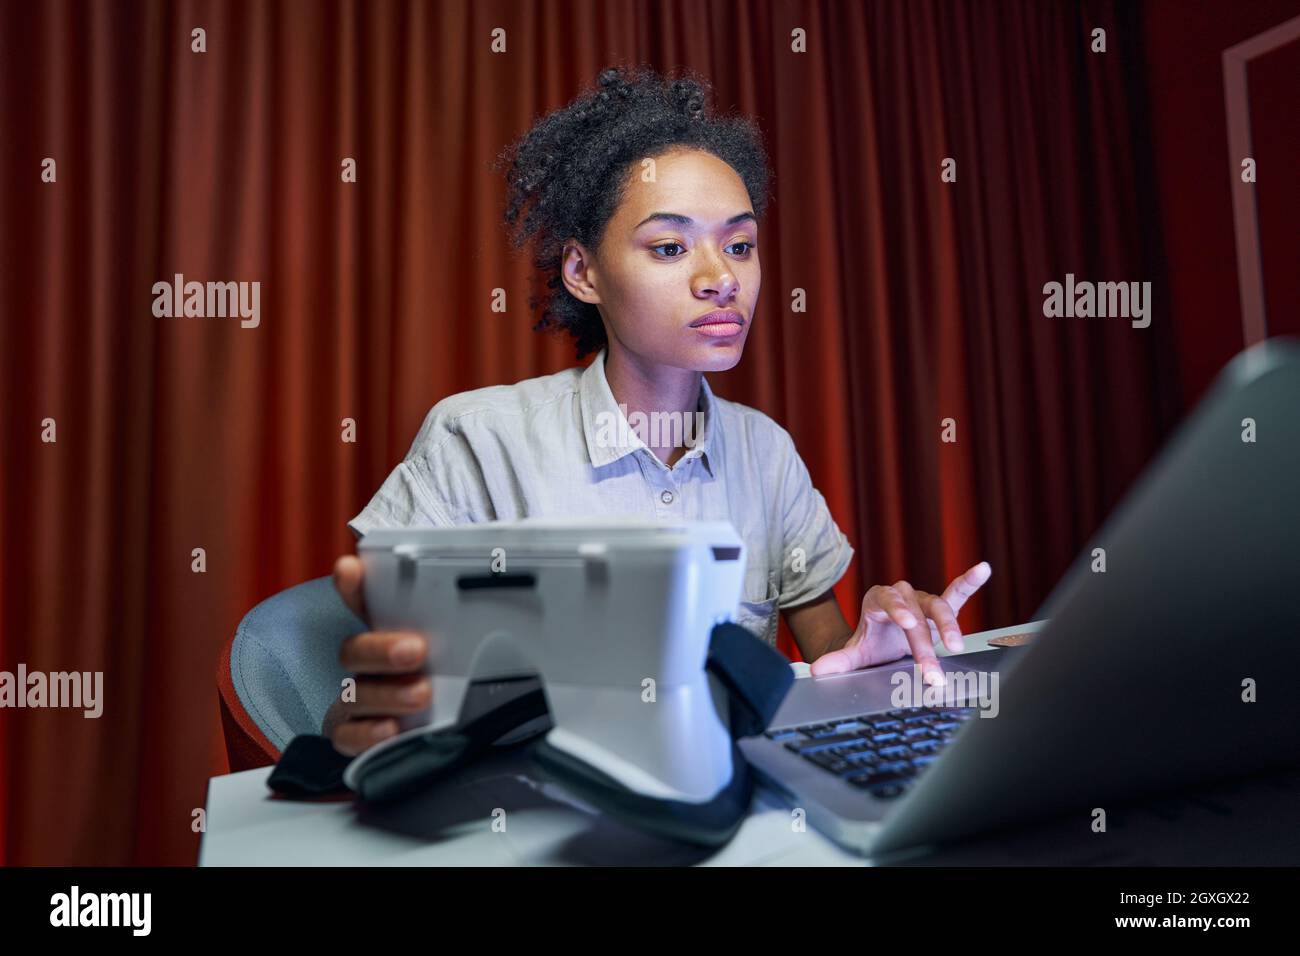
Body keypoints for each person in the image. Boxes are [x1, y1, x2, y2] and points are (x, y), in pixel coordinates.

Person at [323, 65, 991, 757]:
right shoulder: (478, 440)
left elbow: (830, 666)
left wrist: (879, 652)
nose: (721, 279)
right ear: (583, 272)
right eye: (670, 247)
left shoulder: (766, 452)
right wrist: (373, 720)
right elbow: (368, 709)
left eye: (739, 246)